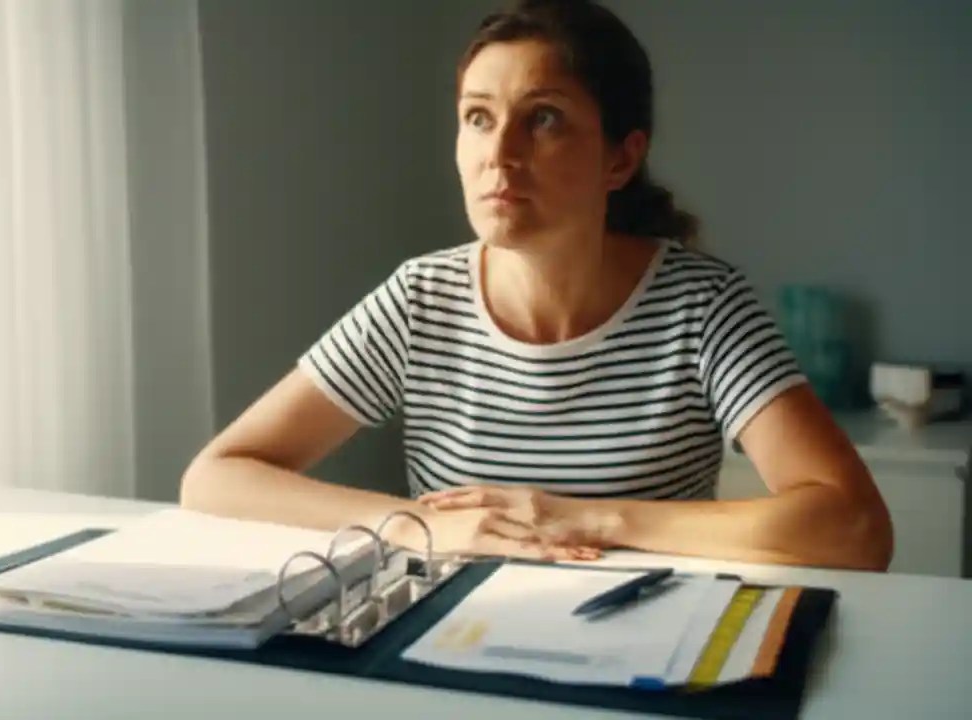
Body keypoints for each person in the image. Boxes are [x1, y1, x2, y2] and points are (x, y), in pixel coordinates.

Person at [180, 0, 893, 571]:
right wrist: (415, 523)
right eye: (478, 118)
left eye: (542, 119)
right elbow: (214, 478)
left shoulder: (700, 305)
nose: (500, 154)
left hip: (650, 646)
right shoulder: (419, 299)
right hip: (452, 641)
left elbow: (854, 526)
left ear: (622, 158)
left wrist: (590, 516)